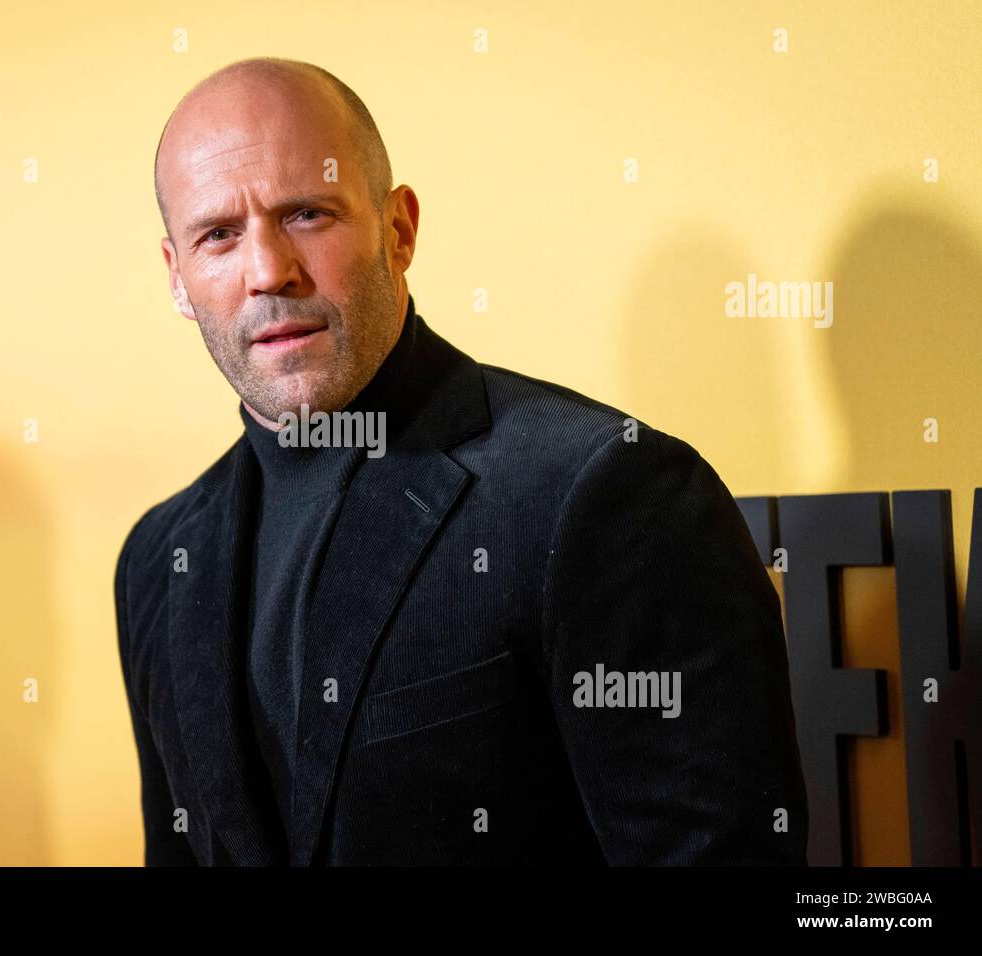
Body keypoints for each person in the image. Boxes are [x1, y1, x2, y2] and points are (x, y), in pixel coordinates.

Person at [115, 56, 808, 865]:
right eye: (219, 236)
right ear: (177, 276)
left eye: (307, 213)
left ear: (399, 228)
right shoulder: (161, 561)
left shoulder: (601, 492)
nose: (268, 270)